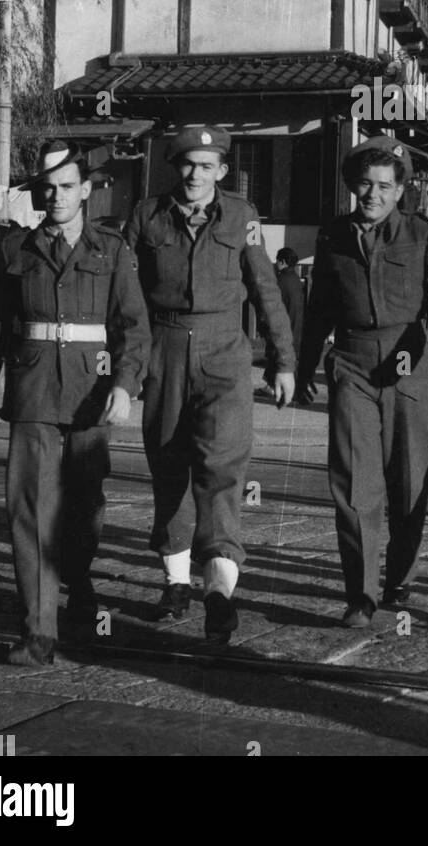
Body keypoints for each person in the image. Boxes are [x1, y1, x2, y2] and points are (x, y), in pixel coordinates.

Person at [296, 136, 428, 627]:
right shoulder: (334, 236)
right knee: (355, 482)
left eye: (383, 185)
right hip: (352, 363)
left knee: (410, 478)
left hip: (406, 364)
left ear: (401, 190)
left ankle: (401, 575)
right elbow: (319, 312)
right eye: (364, 184)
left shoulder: (422, 236)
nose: (371, 194)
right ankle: (360, 593)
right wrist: (302, 369)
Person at [125, 126, 296, 644]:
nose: (195, 175)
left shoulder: (242, 217)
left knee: (221, 466)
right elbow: (125, 293)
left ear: (223, 170)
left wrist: (283, 359)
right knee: (168, 463)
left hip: (225, 351)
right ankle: (176, 584)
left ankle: (219, 587)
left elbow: (264, 288)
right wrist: (124, 365)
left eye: (206, 166)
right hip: (165, 347)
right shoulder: (146, 216)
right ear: (174, 167)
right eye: (187, 165)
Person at [0, 140, 150, 667]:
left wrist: (124, 385)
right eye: (46, 188)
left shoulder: (113, 250)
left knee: (84, 510)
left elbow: (132, 327)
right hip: (33, 392)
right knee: (30, 509)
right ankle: (39, 632)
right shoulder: (16, 250)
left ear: (85, 190)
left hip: (90, 394)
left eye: (65, 187)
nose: (55, 196)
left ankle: (77, 579)